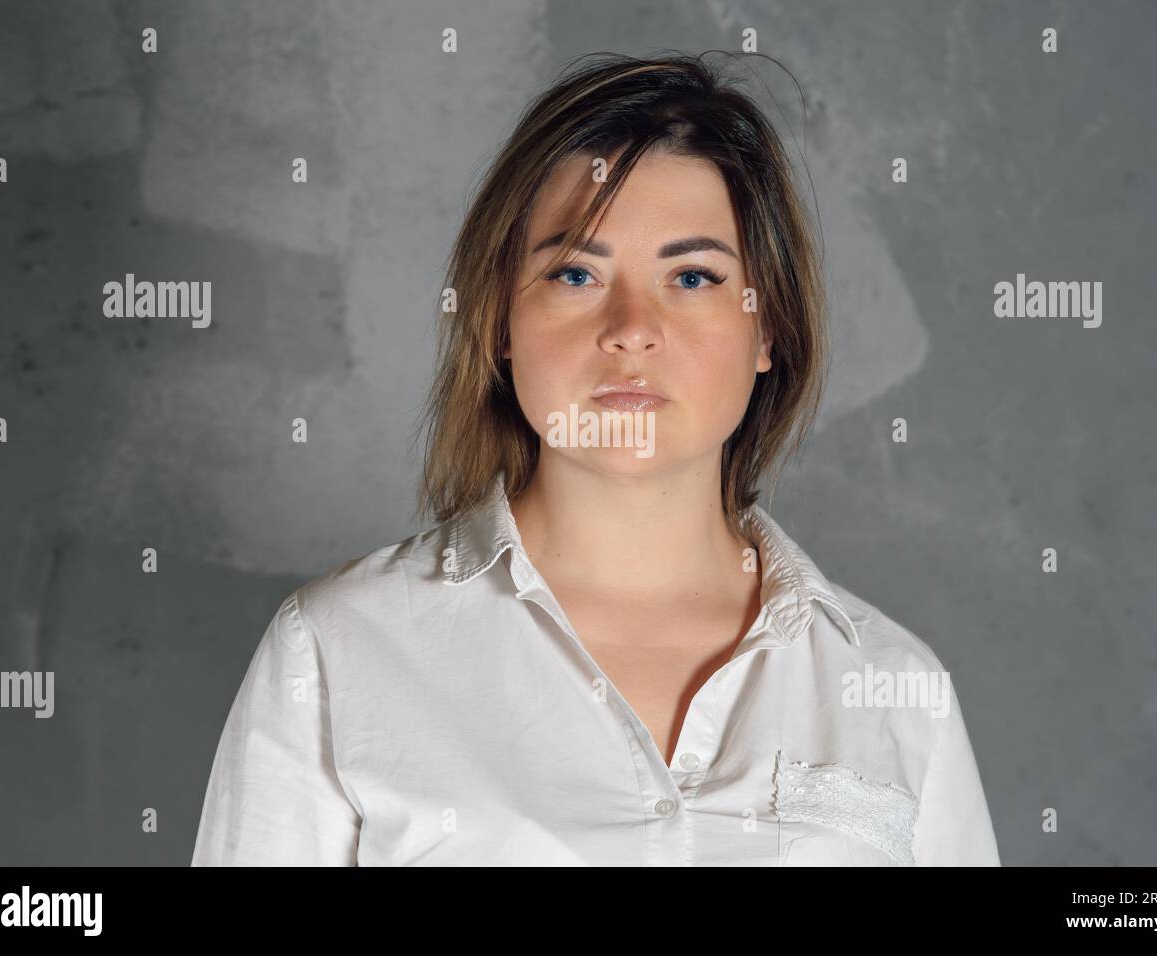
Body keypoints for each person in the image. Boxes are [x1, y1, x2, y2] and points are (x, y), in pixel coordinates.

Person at [191, 51, 1001, 866]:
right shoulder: (336, 651)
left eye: (692, 276)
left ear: (768, 331)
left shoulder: (896, 687)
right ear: (501, 324)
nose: (632, 328)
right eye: (576, 273)